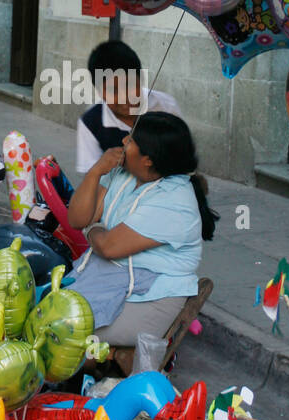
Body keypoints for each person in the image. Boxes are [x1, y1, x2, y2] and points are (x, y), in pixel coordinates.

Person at [66, 112, 218, 360]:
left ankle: (106, 363)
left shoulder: (174, 200)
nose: (124, 142)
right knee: (50, 316)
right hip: (110, 280)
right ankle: (99, 361)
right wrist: (95, 172)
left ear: (147, 159)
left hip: (149, 300)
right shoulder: (123, 174)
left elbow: (107, 247)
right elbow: (78, 219)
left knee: (64, 333)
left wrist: (94, 229)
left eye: (132, 140)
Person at [76, 40, 183, 175]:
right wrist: (100, 167)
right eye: (113, 90)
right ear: (99, 92)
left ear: (141, 79)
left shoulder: (166, 106)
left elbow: (183, 158)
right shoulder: (90, 123)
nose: (124, 97)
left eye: (129, 85)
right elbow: (92, 180)